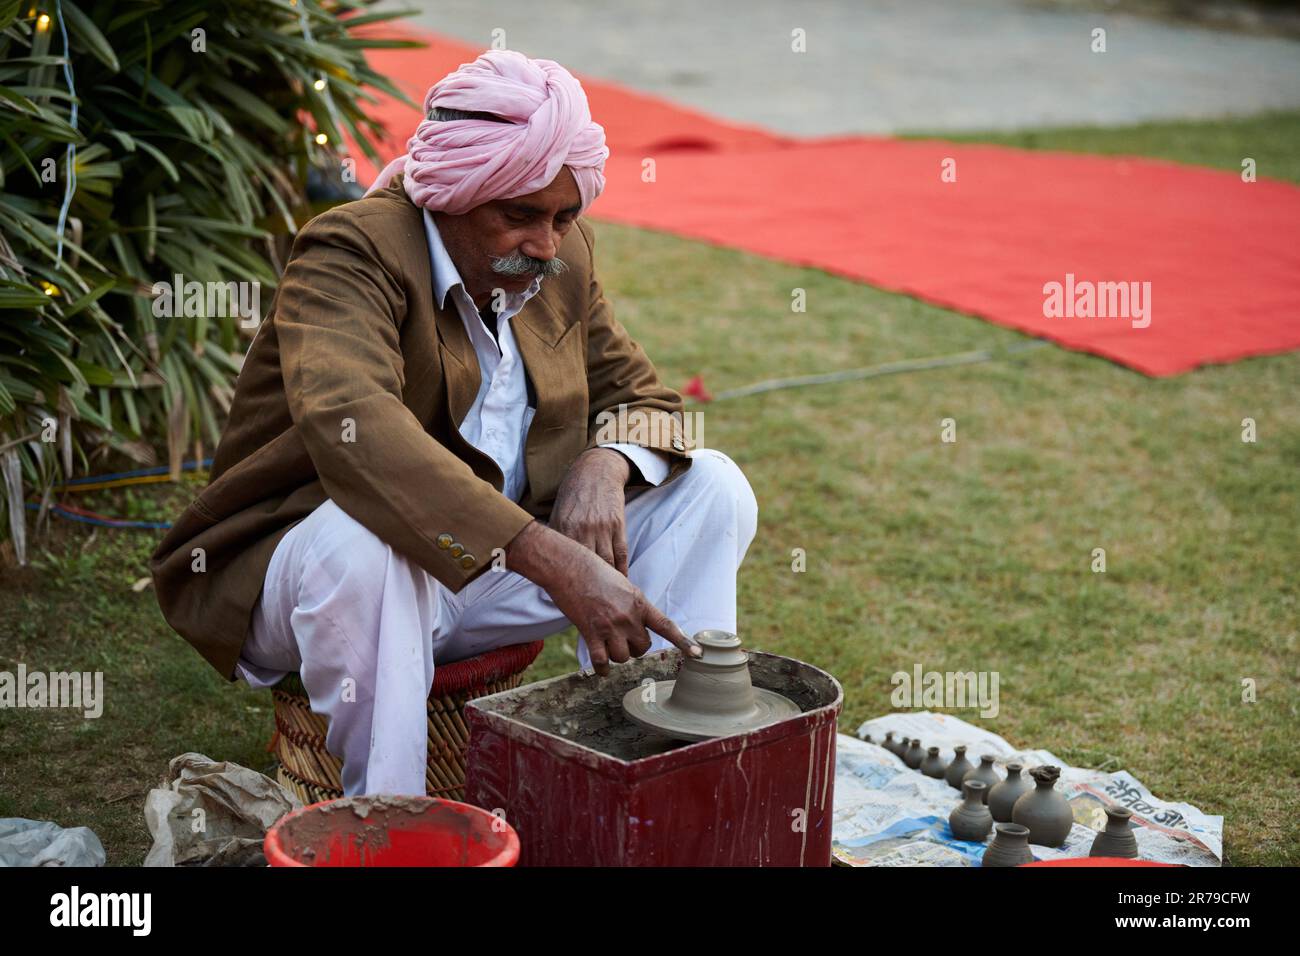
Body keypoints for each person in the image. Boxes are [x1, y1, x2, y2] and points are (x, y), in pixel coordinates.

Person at [150, 49, 758, 797]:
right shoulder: (351, 251)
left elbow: (645, 399)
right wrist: (553, 557)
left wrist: (607, 466)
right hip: (317, 574)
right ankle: (389, 818)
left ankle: (652, 765)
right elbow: (358, 426)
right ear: (450, 194)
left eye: (564, 218)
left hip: (481, 579)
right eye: (519, 216)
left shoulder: (557, 258)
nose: (544, 244)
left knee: (712, 488)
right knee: (367, 544)